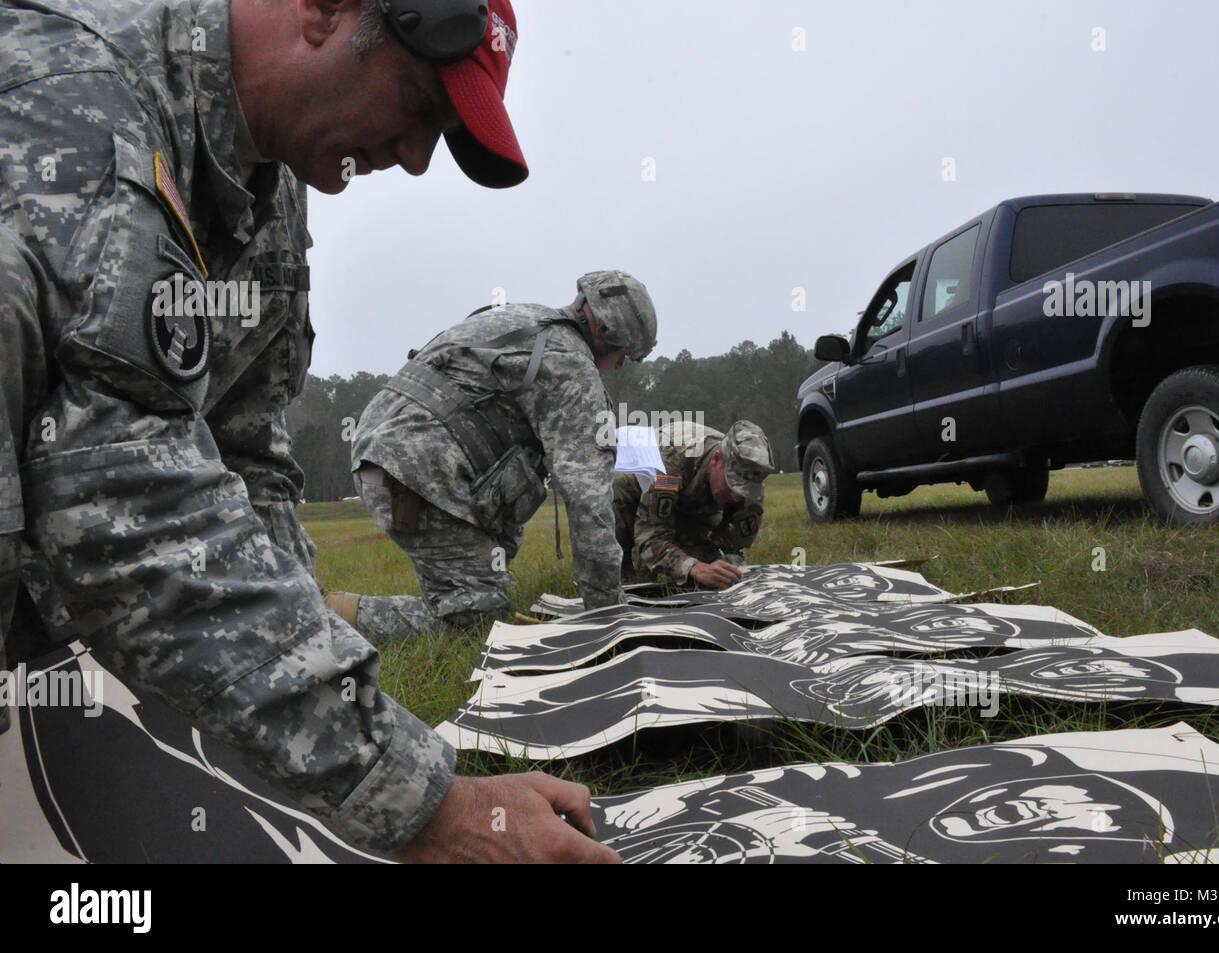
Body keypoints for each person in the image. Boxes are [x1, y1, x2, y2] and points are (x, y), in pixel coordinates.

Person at [0, 0, 618, 862]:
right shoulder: (78, 103)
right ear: (325, 11)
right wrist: (426, 803)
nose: (413, 155)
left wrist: (313, 734)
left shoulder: (268, 195)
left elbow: (249, 459)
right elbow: (124, 508)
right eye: (416, 102)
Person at [331, 270, 657, 642]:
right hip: (423, 474)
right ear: (607, 334)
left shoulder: (522, 318)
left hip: (390, 456)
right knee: (477, 624)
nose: (618, 366)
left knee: (477, 585)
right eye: (623, 357)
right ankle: (324, 617)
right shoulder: (572, 369)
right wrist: (607, 615)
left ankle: (452, 595)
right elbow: (588, 500)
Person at [614, 420, 776, 588]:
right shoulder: (671, 467)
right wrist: (694, 568)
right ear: (716, 460)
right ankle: (622, 572)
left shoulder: (750, 479)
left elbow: (733, 546)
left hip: (692, 500)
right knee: (620, 492)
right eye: (731, 485)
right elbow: (650, 539)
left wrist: (728, 566)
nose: (736, 498)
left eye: (745, 491)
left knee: (708, 561)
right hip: (639, 486)